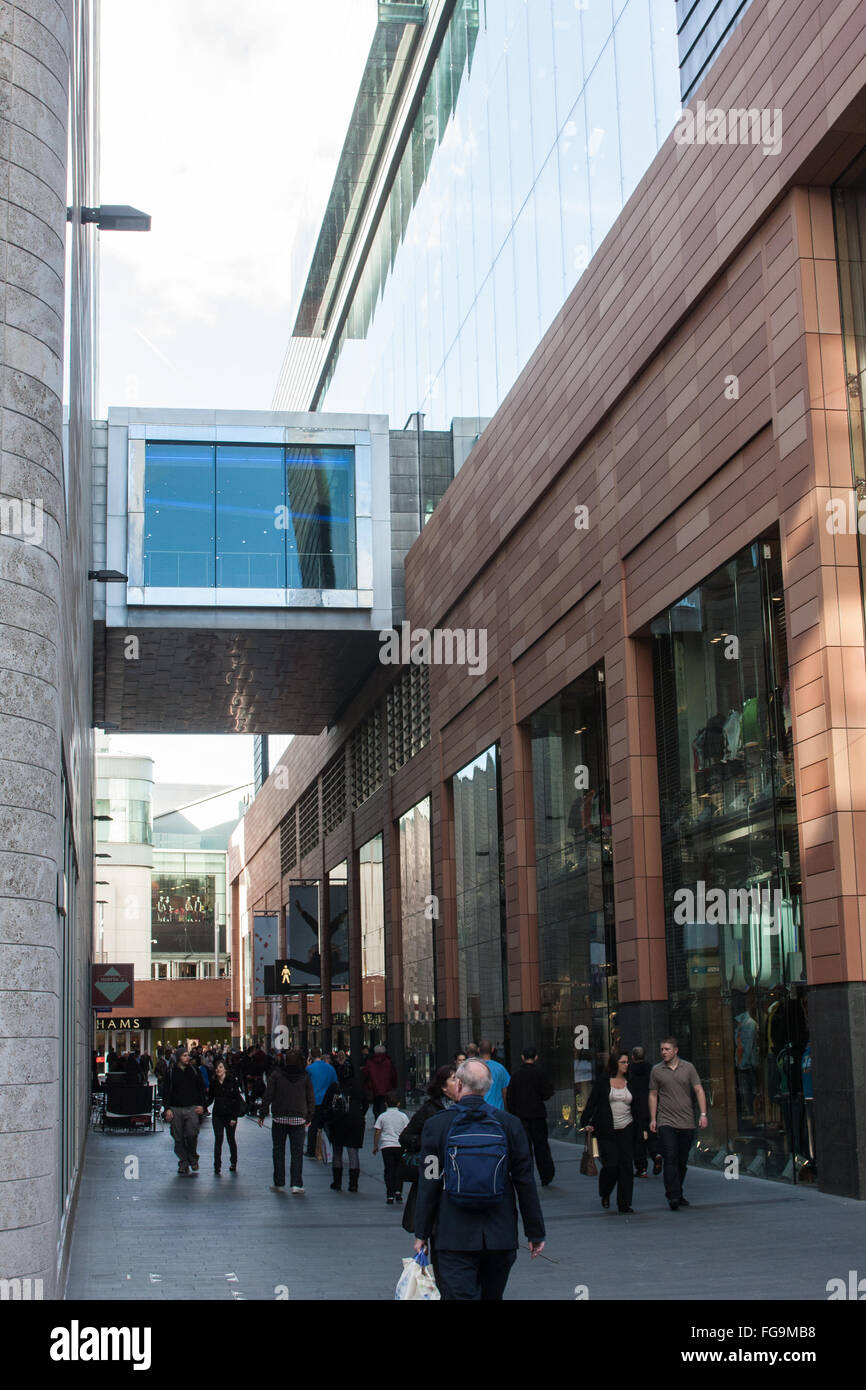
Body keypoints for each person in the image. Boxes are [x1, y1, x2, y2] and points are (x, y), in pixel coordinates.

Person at [414, 1059, 545, 1300]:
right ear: (487, 1087)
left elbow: (429, 1180)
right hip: (499, 1235)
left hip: (453, 1235)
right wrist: (535, 1232)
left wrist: (421, 1232)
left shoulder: (437, 1125)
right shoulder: (510, 1125)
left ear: (460, 1084)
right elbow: (524, 1180)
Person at [648, 1036, 708, 1211]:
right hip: (666, 1121)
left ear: (676, 1050)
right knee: (671, 1157)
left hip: (686, 1121)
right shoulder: (656, 1070)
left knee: (682, 1161)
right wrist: (653, 1119)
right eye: (662, 1049)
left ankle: (678, 1192)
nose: (663, 1052)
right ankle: (672, 1196)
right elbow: (653, 1095)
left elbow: (698, 1089)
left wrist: (703, 1114)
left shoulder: (688, 1068)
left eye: (667, 1049)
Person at [399, 1064, 458, 1237]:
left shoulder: (466, 1107)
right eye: (454, 1079)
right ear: (443, 1086)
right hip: (435, 1174)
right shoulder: (429, 1109)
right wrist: (428, 1142)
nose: (459, 1083)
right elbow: (405, 1137)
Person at [580, 1051, 635, 1213]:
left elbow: (637, 1106)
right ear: (615, 1064)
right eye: (623, 1062)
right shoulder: (603, 1082)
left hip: (627, 1127)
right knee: (611, 1165)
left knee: (626, 1166)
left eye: (627, 1062)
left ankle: (624, 1203)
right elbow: (592, 1102)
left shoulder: (630, 1081)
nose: (626, 1065)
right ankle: (605, 1192)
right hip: (606, 1129)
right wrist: (586, 1122)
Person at [260, 1050, 315, 1192]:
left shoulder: (277, 1075)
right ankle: (296, 1184)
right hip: (298, 1119)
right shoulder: (305, 1076)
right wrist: (309, 1116)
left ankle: (279, 1183)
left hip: (279, 1118)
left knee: (278, 1150)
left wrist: (262, 1113)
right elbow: (310, 1098)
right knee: (297, 1152)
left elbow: (268, 1095)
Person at [506, 1046, 555, 1185]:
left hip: (521, 1116)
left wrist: (514, 1111)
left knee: (524, 1148)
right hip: (538, 1114)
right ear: (536, 1057)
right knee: (541, 1146)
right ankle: (546, 1175)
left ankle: (526, 1173)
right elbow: (547, 1093)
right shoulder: (540, 1073)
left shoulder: (516, 1075)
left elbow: (510, 1097)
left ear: (522, 1057)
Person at [162, 1050, 207, 1175]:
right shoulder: (171, 1073)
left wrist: (202, 1106)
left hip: (192, 1108)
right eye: (184, 1055)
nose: (188, 1058)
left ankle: (192, 1157)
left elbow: (201, 1089)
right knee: (178, 1137)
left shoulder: (194, 1071)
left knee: (192, 1134)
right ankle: (184, 1162)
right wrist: (167, 1109)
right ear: (178, 1058)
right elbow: (166, 1092)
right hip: (175, 1108)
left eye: (188, 1055)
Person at [325, 1069, 366, 1192]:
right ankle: (353, 1184)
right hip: (355, 1121)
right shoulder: (358, 1086)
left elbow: (326, 1103)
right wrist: (360, 1113)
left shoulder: (334, 1087)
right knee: (353, 1153)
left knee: (337, 1152)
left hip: (338, 1122)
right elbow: (366, 1103)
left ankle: (337, 1182)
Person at [628, 1045, 661, 1177]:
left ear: (633, 1057)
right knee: (652, 1134)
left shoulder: (629, 1071)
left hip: (635, 1107)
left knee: (638, 1138)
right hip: (650, 1106)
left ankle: (641, 1168)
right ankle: (656, 1154)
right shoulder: (651, 1069)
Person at [372, 1091, 409, 1203]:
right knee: (399, 1169)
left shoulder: (382, 1116)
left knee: (389, 1169)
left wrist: (375, 1145)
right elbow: (407, 1130)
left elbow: (378, 1131)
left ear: (385, 1104)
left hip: (386, 1146)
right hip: (400, 1145)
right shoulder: (403, 1116)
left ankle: (390, 1194)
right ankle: (398, 1191)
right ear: (398, 1103)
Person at [210, 1060, 244, 1174]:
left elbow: (236, 1101)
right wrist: (201, 1106)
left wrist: (234, 1117)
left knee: (230, 1138)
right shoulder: (214, 1082)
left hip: (230, 1115)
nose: (218, 1069)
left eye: (220, 1067)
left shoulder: (232, 1082)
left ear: (225, 1069)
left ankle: (233, 1162)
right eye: (217, 1067)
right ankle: (217, 1165)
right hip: (217, 1115)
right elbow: (210, 1098)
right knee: (218, 1139)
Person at [305, 1047, 339, 1157]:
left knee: (313, 1126)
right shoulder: (330, 1068)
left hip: (314, 1101)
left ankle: (311, 1150)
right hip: (327, 1101)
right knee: (327, 1126)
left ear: (311, 1055)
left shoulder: (309, 1069)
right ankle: (330, 1149)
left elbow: (304, 1084)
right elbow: (336, 1084)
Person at [362, 1043, 398, 1119]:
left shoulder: (370, 1062)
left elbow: (365, 1074)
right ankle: (383, 1120)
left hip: (374, 1088)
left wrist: (367, 1086)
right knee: (383, 1105)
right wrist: (394, 1086)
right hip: (386, 1088)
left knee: (376, 1105)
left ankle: (377, 1120)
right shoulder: (388, 1062)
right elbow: (393, 1075)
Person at [479, 1040, 510, 1110]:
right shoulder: (500, 1068)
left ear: (479, 1050)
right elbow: (505, 1092)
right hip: (497, 1110)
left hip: (479, 1110)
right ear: (492, 1050)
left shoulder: (474, 1068)